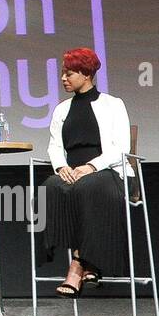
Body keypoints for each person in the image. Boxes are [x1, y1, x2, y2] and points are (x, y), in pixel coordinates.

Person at [42, 47, 131, 297]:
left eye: (69, 73)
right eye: (63, 73)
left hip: (107, 171)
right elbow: (55, 145)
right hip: (72, 172)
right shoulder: (62, 109)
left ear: (86, 74)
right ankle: (89, 264)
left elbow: (121, 147)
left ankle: (77, 264)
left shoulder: (113, 104)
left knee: (87, 187)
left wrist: (91, 166)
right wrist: (62, 167)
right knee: (52, 185)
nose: (63, 79)